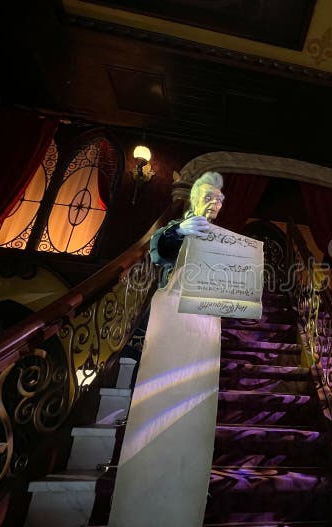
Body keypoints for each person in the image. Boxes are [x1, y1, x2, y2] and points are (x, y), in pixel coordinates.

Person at [108, 172, 225, 527]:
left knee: (197, 397)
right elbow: (159, 252)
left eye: (219, 201)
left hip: (206, 321)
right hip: (173, 314)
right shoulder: (176, 226)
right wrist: (180, 232)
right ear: (194, 198)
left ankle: (187, 477)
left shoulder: (223, 238)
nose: (214, 204)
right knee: (161, 390)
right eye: (209, 196)